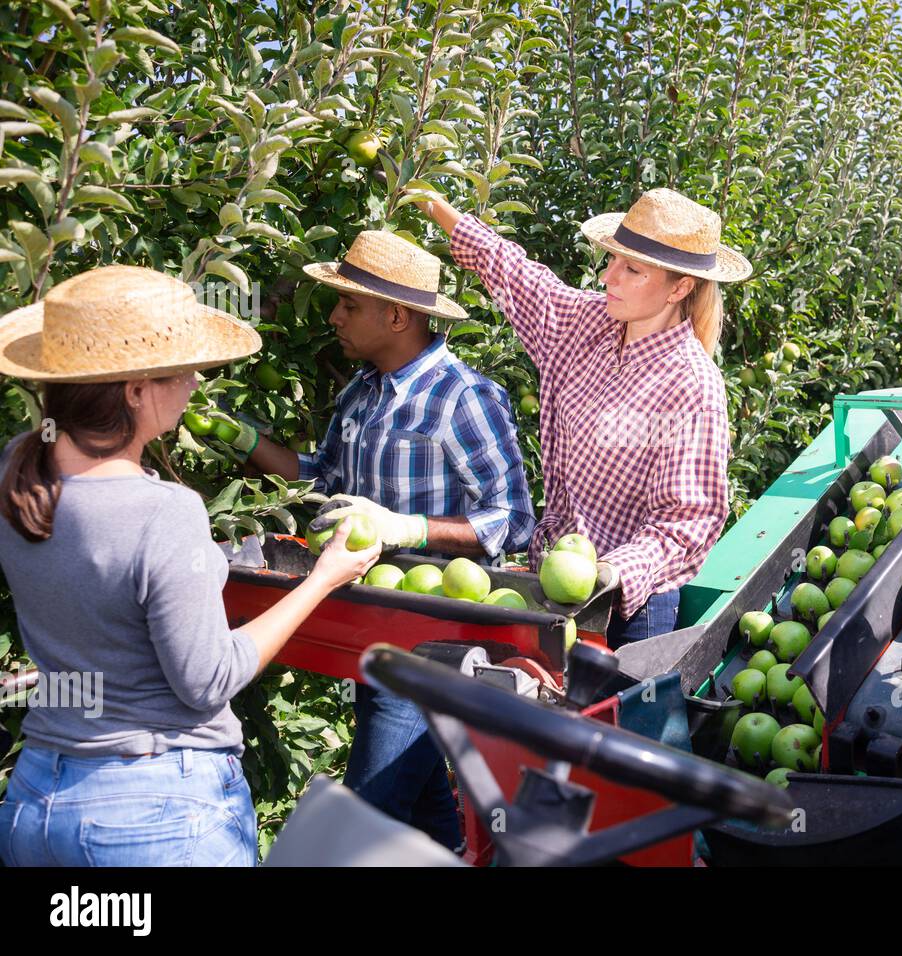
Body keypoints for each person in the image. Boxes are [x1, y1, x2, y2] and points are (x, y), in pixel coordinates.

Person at [0, 265, 380, 867]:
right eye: (183, 369)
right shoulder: (163, 512)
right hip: (151, 815)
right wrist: (325, 578)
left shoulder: (17, 470)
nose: (197, 380)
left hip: (37, 799)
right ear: (135, 390)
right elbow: (207, 680)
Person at [194, 229, 536, 850]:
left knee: (361, 813)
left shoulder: (463, 398)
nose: (334, 317)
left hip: (434, 644)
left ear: (397, 315)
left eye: (349, 305)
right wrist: (240, 438)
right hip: (370, 627)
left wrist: (407, 529)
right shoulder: (361, 393)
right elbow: (319, 480)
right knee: (424, 803)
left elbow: (511, 519)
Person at [417, 187, 751, 645]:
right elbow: (517, 275)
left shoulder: (690, 384)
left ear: (680, 287)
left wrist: (611, 571)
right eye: (612, 259)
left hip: (627, 612)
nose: (609, 276)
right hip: (553, 584)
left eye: (632, 269)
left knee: (607, 717)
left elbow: (687, 519)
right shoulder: (589, 324)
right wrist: (434, 205)